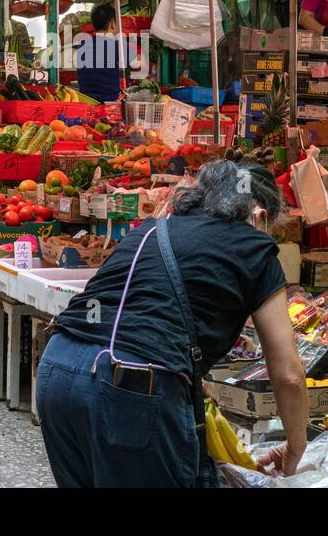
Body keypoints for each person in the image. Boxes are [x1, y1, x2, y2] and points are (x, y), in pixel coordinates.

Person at [35, 159, 308, 487]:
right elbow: (289, 375)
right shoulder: (256, 247)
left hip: (58, 367)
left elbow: (133, 308)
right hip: (131, 385)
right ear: (260, 215)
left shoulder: (153, 228)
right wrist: (296, 445)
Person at [75, 3, 123, 103]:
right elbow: (137, 63)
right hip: (109, 104)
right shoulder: (117, 46)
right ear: (112, 24)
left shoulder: (82, 45)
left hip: (86, 102)